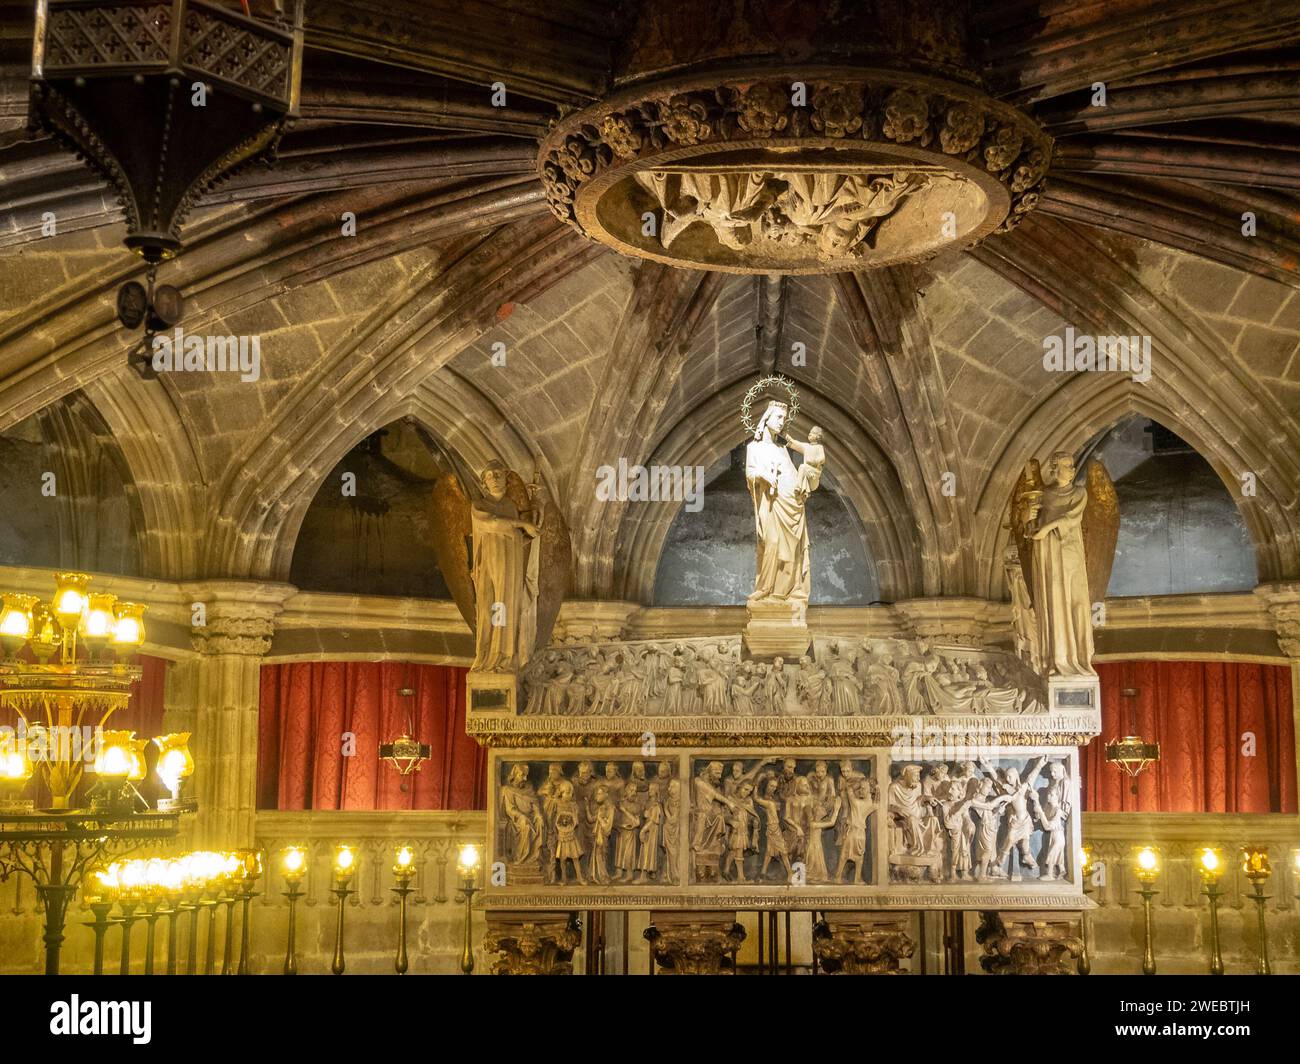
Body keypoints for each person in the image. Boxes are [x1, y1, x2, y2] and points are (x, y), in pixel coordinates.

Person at [745, 400, 811, 604]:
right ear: (767, 419)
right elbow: (750, 472)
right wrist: (764, 475)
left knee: (792, 550)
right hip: (771, 503)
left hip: (792, 505)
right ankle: (765, 588)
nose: (782, 422)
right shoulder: (754, 448)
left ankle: (784, 592)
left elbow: (791, 472)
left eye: (784, 418)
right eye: (778, 417)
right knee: (772, 542)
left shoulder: (782, 449)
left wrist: (803, 487)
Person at [787, 426, 825, 501]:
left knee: (803, 467)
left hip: (814, 474)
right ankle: (799, 489)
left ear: (818, 436)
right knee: (802, 467)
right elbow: (795, 443)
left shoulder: (819, 447)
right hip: (807, 471)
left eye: (813, 433)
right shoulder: (806, 446)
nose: (810, 434)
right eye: (810, 432)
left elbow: (822, 458)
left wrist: (814, 461)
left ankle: (798, 487)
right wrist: (786, 436)